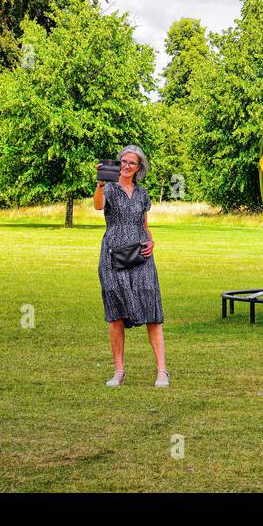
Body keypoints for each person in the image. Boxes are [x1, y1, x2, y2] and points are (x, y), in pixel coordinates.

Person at [94, 145, 167, 387]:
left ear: (139, 168)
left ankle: (161, 372)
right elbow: (97, 206)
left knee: (152, 312)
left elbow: (144, 224)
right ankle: (119, 371)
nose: (126, 166)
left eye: (132, 163)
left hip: (141, 254)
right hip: (113, 255)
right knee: (115, 315)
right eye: (123, 161)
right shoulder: (110, 189)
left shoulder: (143, 193)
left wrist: (151, 241)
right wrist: (101, 184)